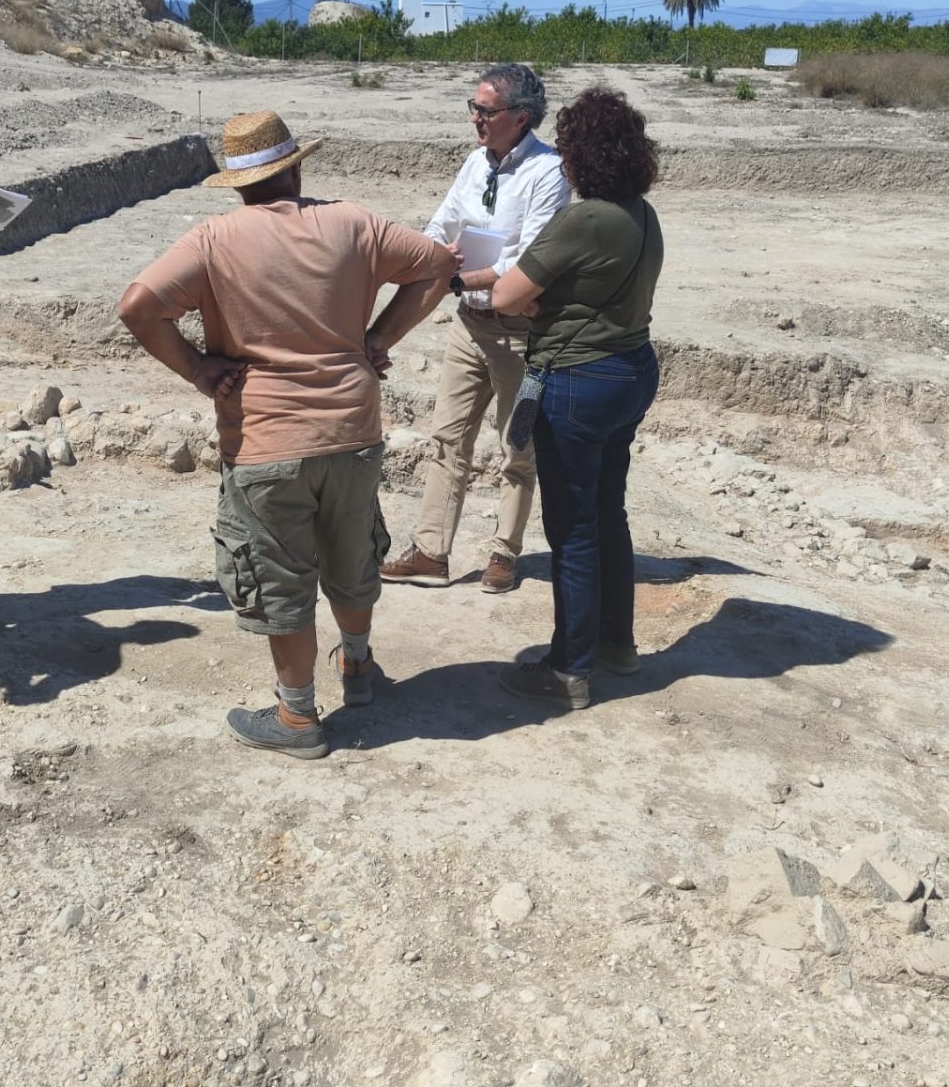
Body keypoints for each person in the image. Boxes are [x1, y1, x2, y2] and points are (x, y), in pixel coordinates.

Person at [118, 110, 456, 759]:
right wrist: (378, 338)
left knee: (282, 576)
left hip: (264, 436)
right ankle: (357, 665)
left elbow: (138, 306)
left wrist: (197, 367)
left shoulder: (212, 241)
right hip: (351, 430)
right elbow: (438, 266)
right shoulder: (353, 222)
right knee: (353, 555)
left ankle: (298, 717)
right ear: (296, 166)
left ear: (237, 184)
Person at [489, 87, 663, 710]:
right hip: (630, 369)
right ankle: (617, 645)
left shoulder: (584, 218)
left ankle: (569, 670)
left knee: (574, 532)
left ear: (582, 155)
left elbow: (507, 296)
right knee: (607, 515)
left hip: (578, 380)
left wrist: (535, 299)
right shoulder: (641, 213)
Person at [380, 64, 569, 595]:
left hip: (518, 331)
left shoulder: (549, 173)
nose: (475, 119)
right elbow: (441, 227)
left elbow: (530, 260)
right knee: (447, 437)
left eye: (485, 111)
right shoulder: (472, 163)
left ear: (520, 117)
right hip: (470, 325)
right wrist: (411, 259)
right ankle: (431, 552)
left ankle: (504, 554)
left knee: (517, 447)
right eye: (474, 108)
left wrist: (456, 278)